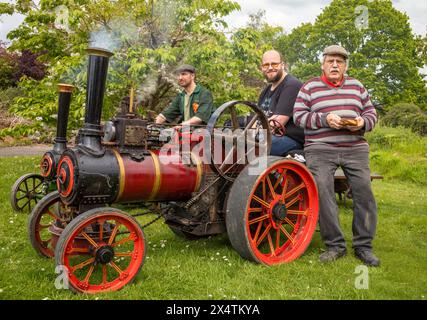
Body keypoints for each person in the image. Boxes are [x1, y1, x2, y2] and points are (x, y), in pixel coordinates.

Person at [293, 45, 380, 267]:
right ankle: (335, 245)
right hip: (320, 148)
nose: (334, 65)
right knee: (322, 191)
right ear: (323, 63)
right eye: (330, 61)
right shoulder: (309, 87)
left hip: (355, 147)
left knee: (364, 193)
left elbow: (371, 113)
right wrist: (324, 119)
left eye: (339, 62)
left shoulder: (357, 86)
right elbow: (298, 116)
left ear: (345, 66)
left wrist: (362, 122)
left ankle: (363, 246)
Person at [258, 50, 304, 156]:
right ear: (262, 68)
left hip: (291, 140)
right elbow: (258, 119)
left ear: (282, 65)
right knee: (227, 138)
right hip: (269, 136)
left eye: (274, 64)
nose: (270, 68)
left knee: (255, 145)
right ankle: (223, 172)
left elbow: (277, 123)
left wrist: (251, 133)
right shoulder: (265, 92)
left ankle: (254, 172)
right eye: (266, 65)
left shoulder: (291, 85)